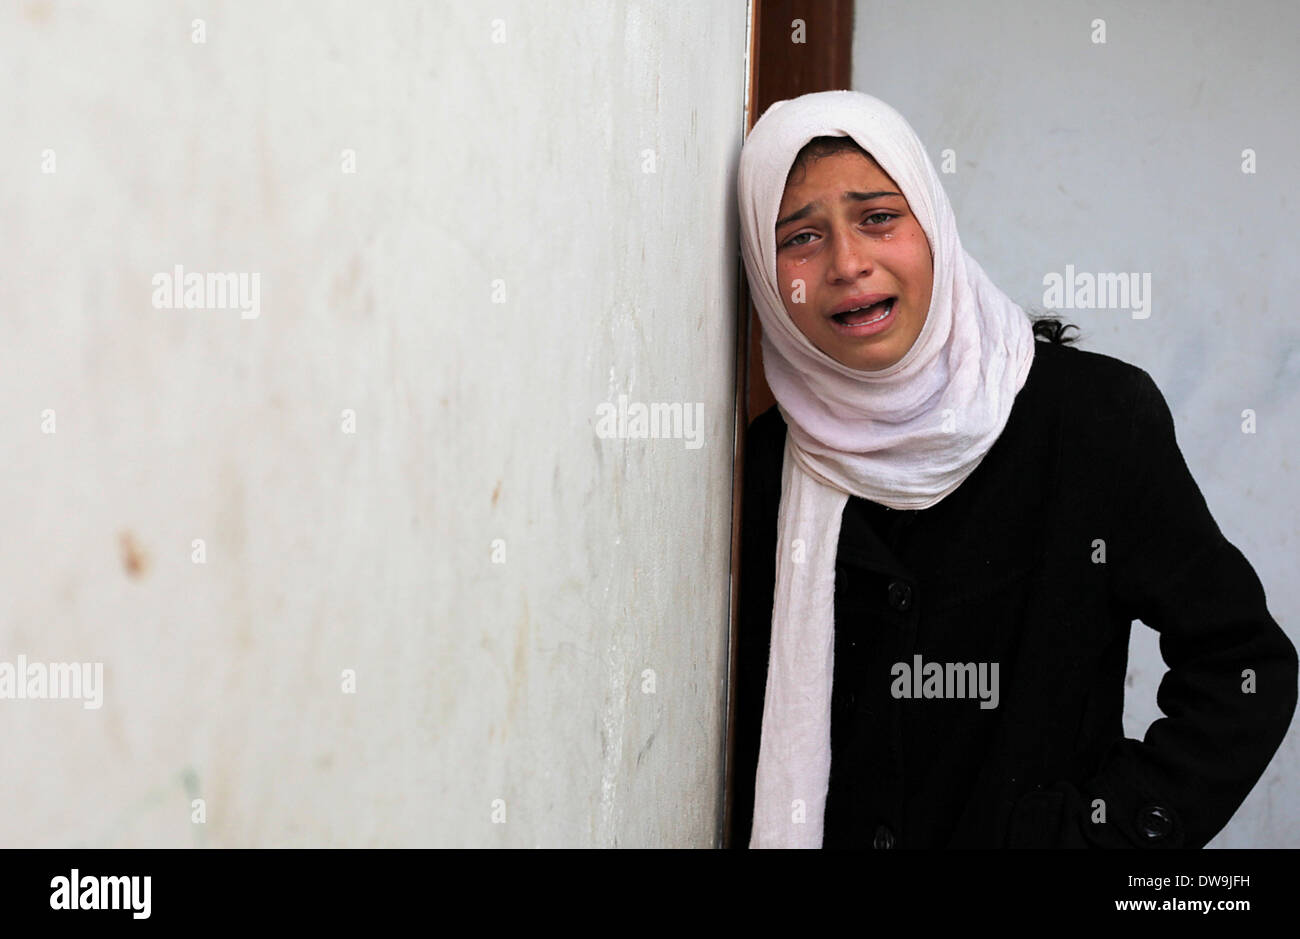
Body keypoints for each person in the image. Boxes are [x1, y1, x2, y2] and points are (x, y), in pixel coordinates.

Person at [728, 90, 1297, 849]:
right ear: (766, 278)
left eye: (878, 217)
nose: (848, 262)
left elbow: (1242, 669)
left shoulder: (1092, 420)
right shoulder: (765, 470)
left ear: (933, 224)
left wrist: (1101, 832)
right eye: (800, 236)